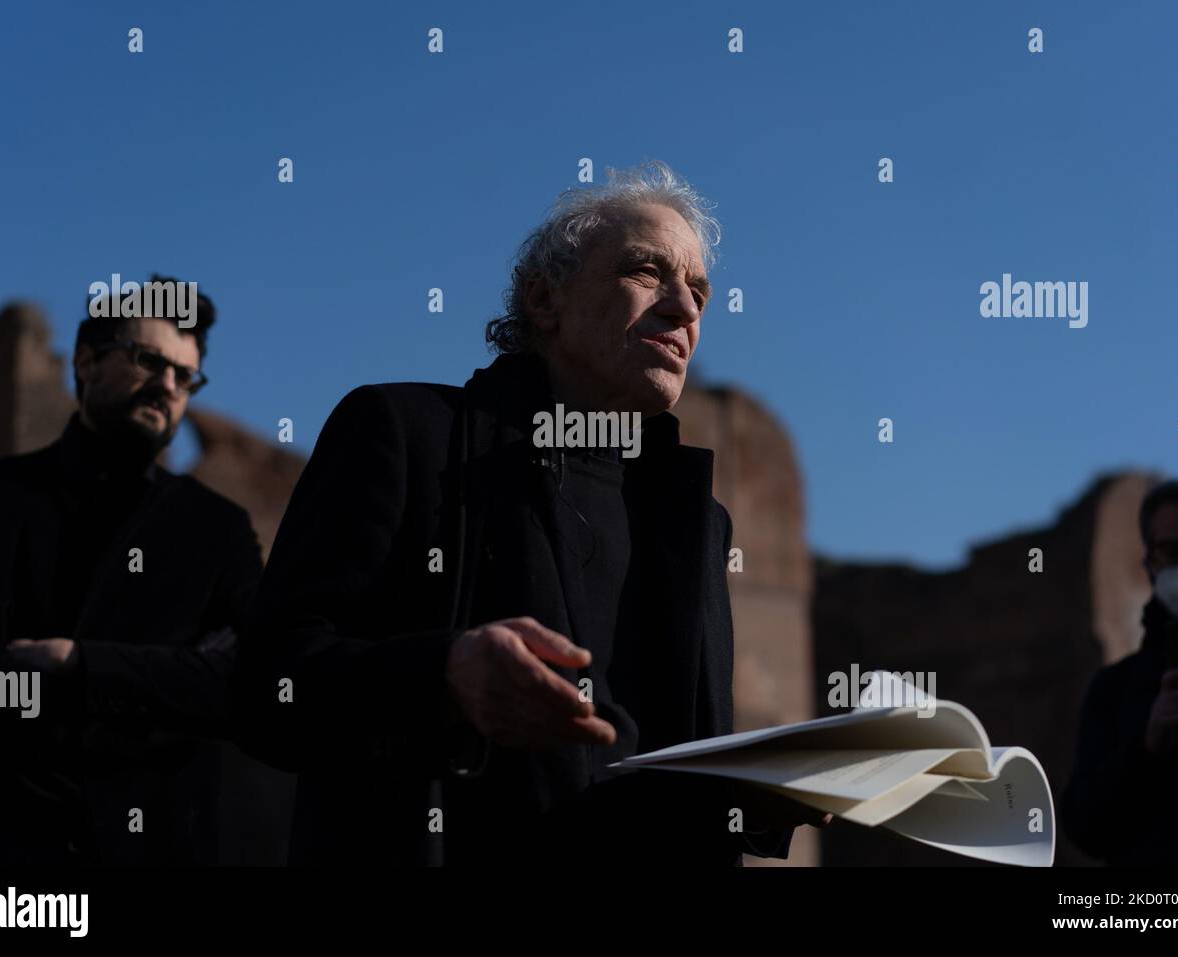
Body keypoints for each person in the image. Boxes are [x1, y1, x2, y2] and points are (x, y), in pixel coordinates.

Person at [238, 160, 827, 865]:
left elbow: (675, 772)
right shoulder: (404, 433)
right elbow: (263, 685)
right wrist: (445, 676)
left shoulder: (700, 523)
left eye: (699, 290)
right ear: (544, 299)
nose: (685, 307)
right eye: (647, 271)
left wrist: (783, 785)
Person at [0, 277, 263, 865]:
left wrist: (82, 665)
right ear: (85, 362)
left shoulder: (219, 529)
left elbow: (249, 683)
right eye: (148, 360)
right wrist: (167, 681)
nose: (167, 385)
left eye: (185, 376)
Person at [1063, 473, 1178, 865]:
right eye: (1173, 553)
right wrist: (1144, 750)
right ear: (1150, 563)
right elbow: (1086, 829)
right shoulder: (1113, 687)